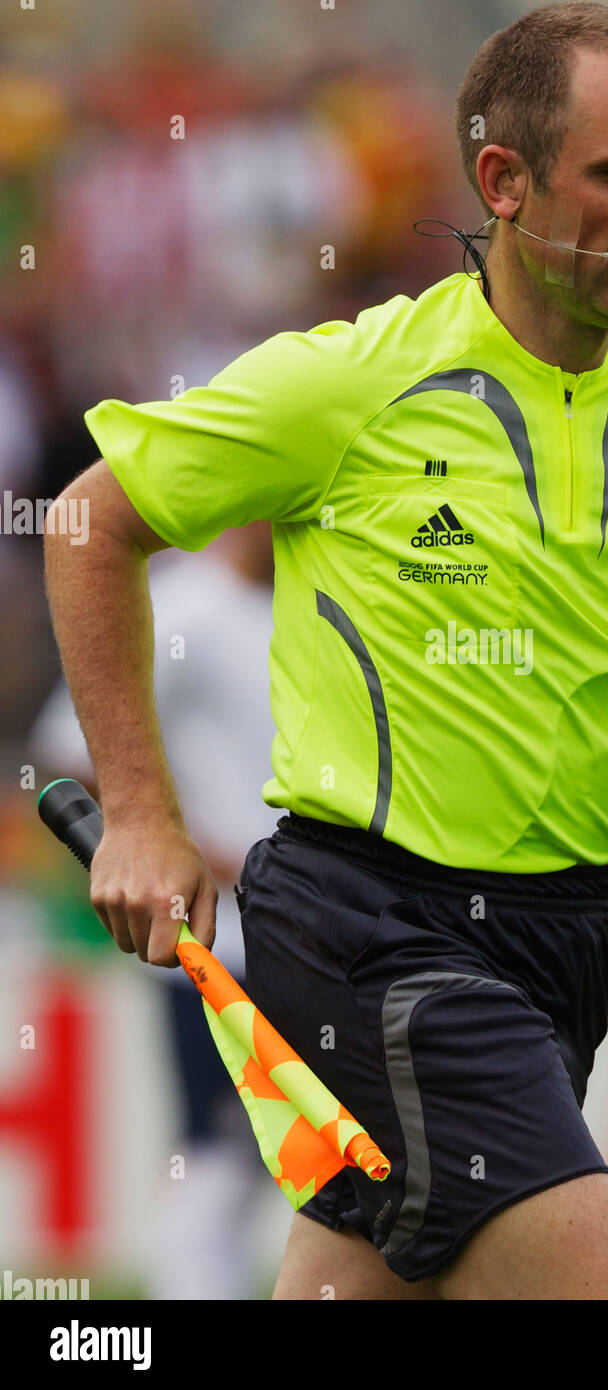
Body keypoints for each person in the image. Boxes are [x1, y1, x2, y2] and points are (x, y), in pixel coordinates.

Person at [43, 4, 608, 1301]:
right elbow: (87, 518)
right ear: (502, 182)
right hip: (371, 930)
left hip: (567, 938)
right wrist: (137, 813)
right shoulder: (353, 382)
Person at [30, 523, 286, 1299]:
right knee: (218, 1153)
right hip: (217, 942)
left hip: (317, 935)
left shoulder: (314, 614)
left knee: (288, 1159)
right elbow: (66, 760)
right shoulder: (180, 610)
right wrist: (165, 840)